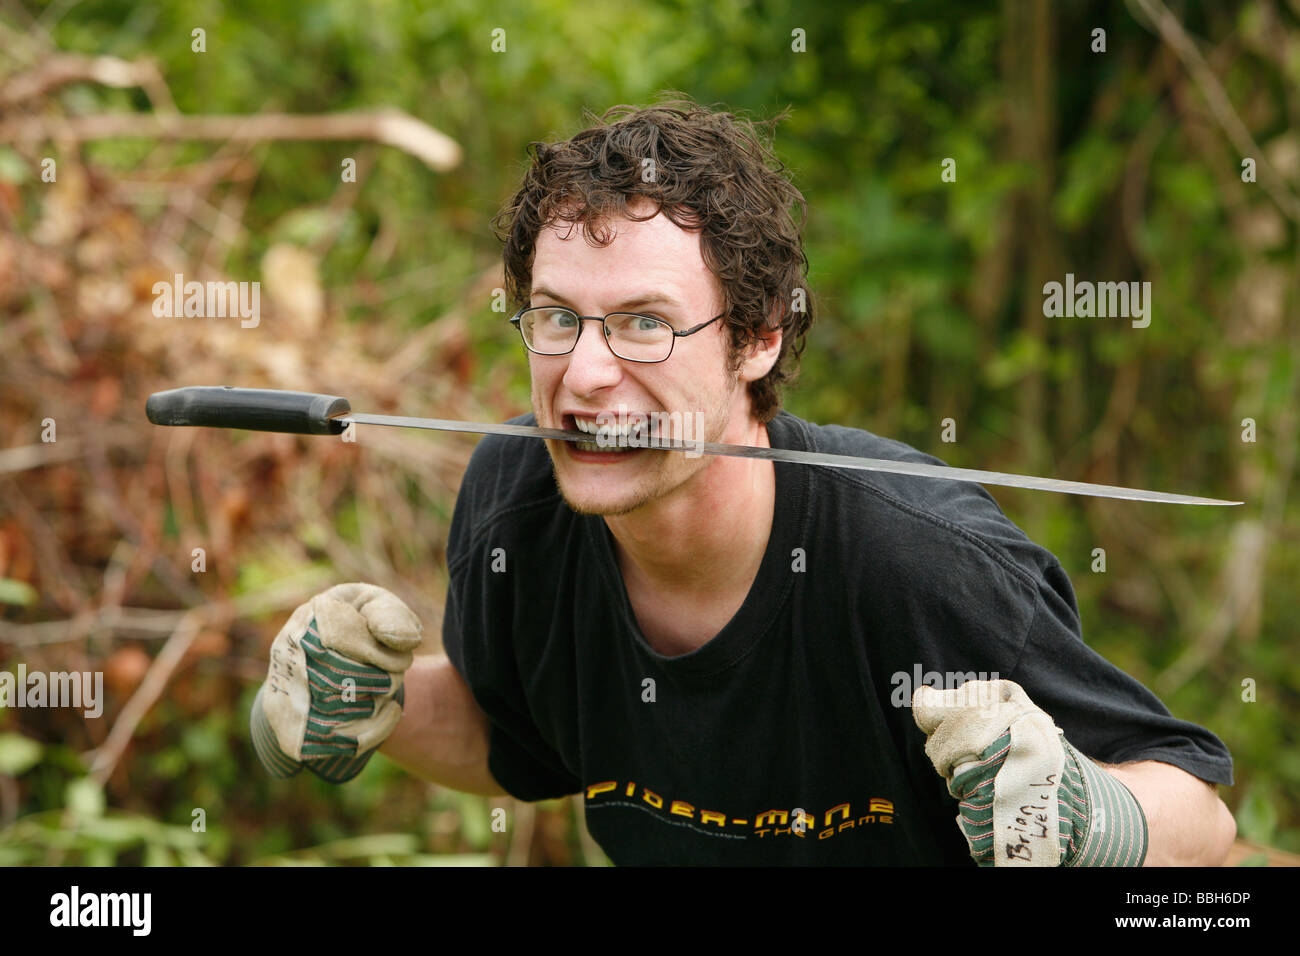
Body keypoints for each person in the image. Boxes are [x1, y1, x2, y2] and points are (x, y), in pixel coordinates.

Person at [250, 99, 1236, 866]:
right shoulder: (519, 506)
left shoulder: (919, 557)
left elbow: (1201, 812)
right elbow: (517, 743)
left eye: (644, 322)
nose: (586, 372)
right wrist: (362, 703)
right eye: (556, 316)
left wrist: (1087, 814)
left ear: (758, 336)